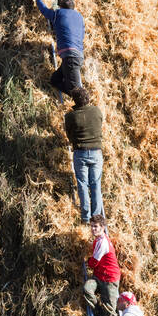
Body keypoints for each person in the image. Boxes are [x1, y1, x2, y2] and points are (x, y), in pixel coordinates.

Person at [33, 0, 85, 97]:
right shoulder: (80, 17)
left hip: (71, 56)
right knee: (55, 80)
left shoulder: (59, 13)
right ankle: (70, 93)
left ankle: (82, 107)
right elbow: (82, 33)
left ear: (61, 7)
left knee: (77, 92)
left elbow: (44, 11)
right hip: (76, 55)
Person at [64, 88, 103, 223]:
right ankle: (97, 216)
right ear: (88, 98)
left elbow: (69, 135)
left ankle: (86, 217)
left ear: (74, 100)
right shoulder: (97, 111)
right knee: (96, 184)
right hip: (96, 152)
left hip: (80, 152)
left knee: (82, 184)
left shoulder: (70, 116)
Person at [84, 215, 120, 316]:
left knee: (110, 310)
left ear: (102, 227)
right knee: (87, 289)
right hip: (99, 277)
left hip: (110, 279)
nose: (93, 229)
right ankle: (98, 311)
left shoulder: (103, 242)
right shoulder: (97, 240)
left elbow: (93, 262)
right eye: (92, 226)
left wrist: (88, 261)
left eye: (96, 226)